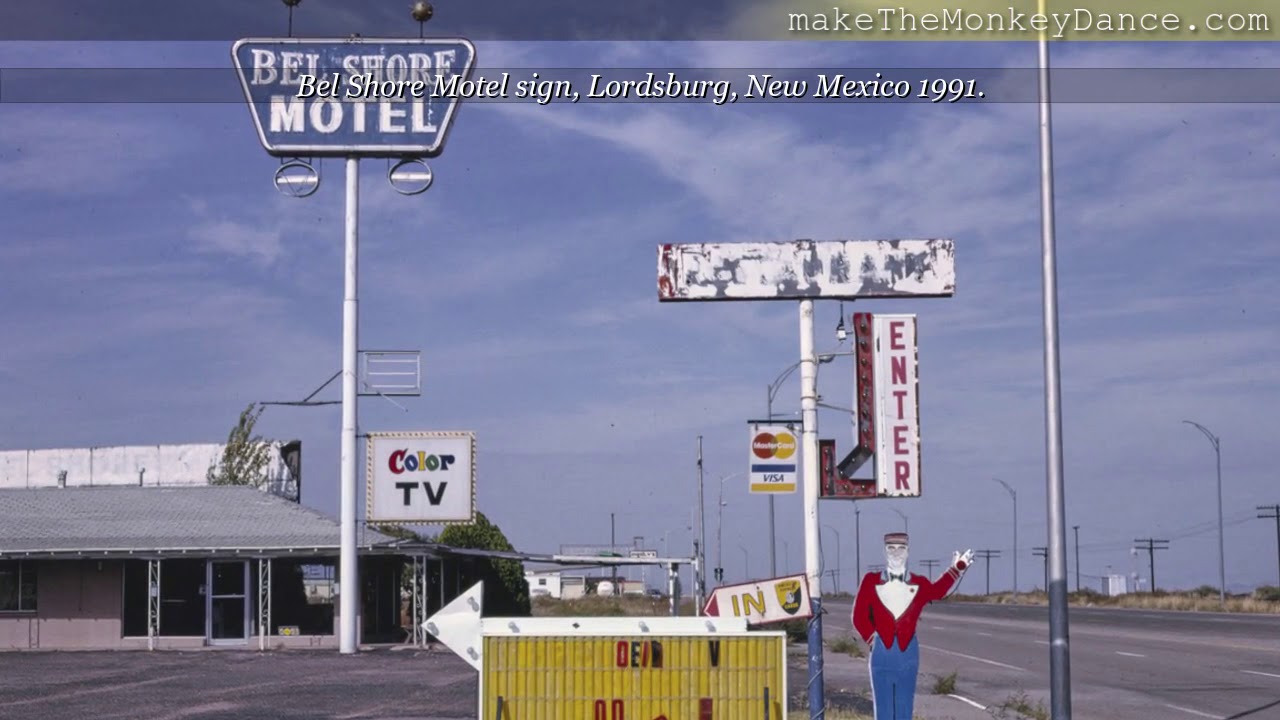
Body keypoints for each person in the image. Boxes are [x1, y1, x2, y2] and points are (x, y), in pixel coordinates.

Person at [852, 532, 973, 720]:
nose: (896, 552)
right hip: (881, 652)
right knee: (883, 708)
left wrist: (956, 569)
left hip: (908, 652)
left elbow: (937, 591)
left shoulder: (919, 583)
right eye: (891, 548)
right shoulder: (871, 581)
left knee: (904, 706)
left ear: (907, 552)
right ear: (885, 551)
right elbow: (859, 617)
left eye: (901, 548)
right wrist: (872, 639)